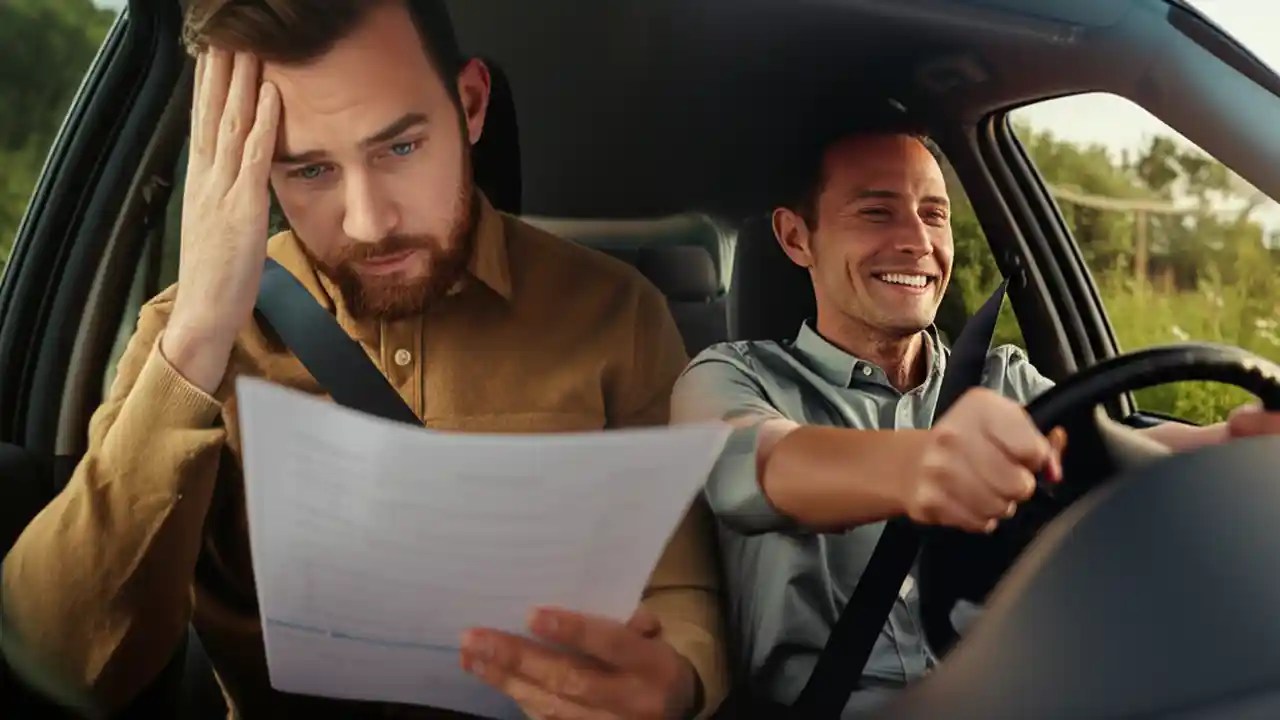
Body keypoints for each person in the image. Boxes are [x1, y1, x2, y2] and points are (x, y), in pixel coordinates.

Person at [0, 1, 726, 718]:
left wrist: (677, 683)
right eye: (309, 171)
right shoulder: (186, 335)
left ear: (470, 106)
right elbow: (61, 662)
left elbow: (679, 589)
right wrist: (197, 339)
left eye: (401, 148)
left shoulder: (619, 316)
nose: (369, 222)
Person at [670, 117, 1280, 717]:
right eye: (877, 212)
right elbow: (760, 463)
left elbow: (1118, 442)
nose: (917, 240)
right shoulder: (731, 376)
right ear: (797, 237)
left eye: (934, 214)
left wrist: (1234, 440)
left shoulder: (1002, 378)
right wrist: (924, 465)